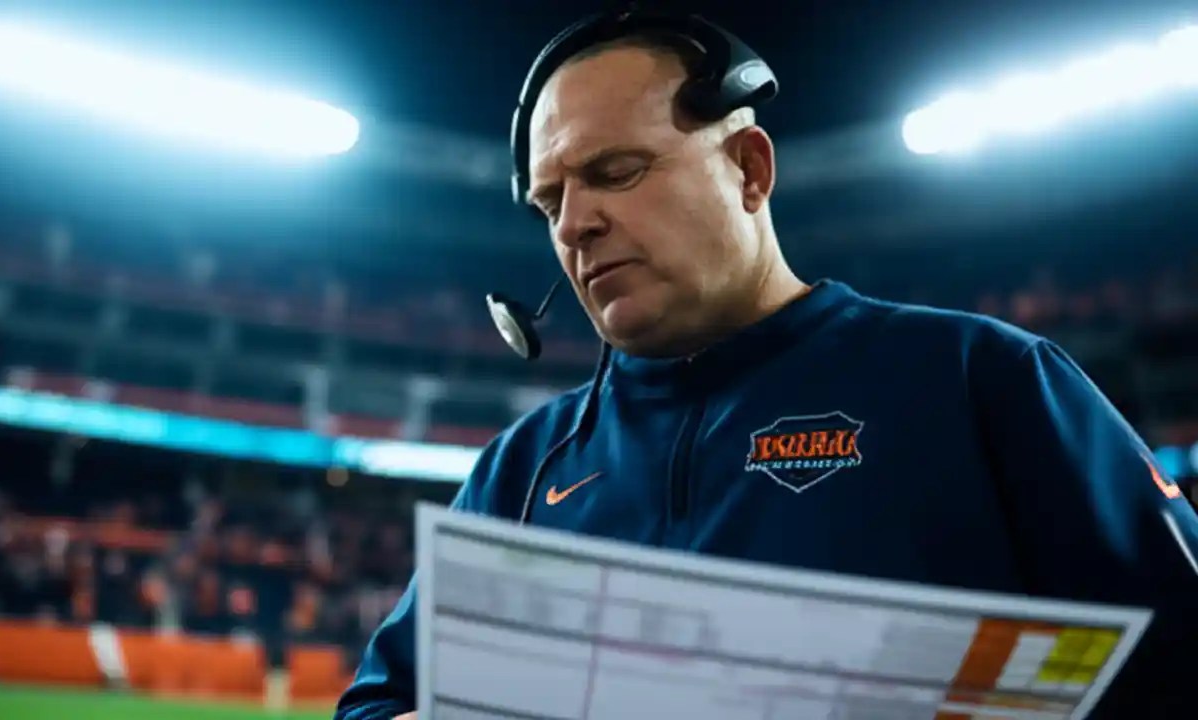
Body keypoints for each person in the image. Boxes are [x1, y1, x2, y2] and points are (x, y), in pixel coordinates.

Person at [336, 15, 1198, 720]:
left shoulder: (980, 382)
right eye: (550, 201)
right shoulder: (521, 471)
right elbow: (376, 706)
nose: (572, 225)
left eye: (615, 172)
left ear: (749, 169)